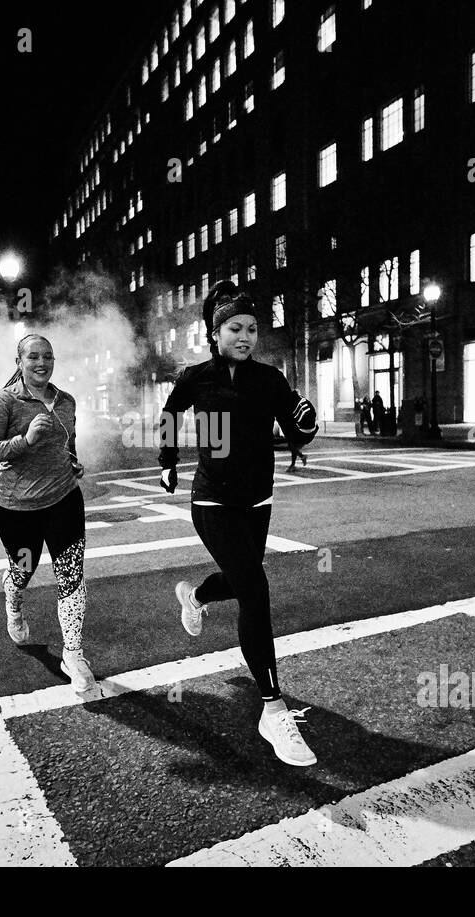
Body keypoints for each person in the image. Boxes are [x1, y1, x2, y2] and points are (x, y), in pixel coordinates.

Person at [159, 280, 321, 766]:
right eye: (235, 328)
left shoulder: (270, 380)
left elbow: (299, 432)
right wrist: (167, 458)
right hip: (212, 501)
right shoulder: (196, 377)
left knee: (240, 579)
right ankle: (273, 707)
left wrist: (306, 423)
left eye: (252, 328)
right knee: (255, 590)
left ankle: (198, 595)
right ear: (216, 332)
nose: (245, 336)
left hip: (257, 501)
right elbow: (170, 413)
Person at [0, 333, 94, 694]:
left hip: (64, 500)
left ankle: (73, 654)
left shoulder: (66, 401)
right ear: (20, 362)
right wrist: (24, 441)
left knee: (71, 576)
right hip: (18, 508)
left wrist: (73, 465)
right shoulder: (5, 402)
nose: (41, 362)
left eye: (48, 356)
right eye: (33, 357)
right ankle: (13, 597)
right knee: (23, 570)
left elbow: (67, 444)